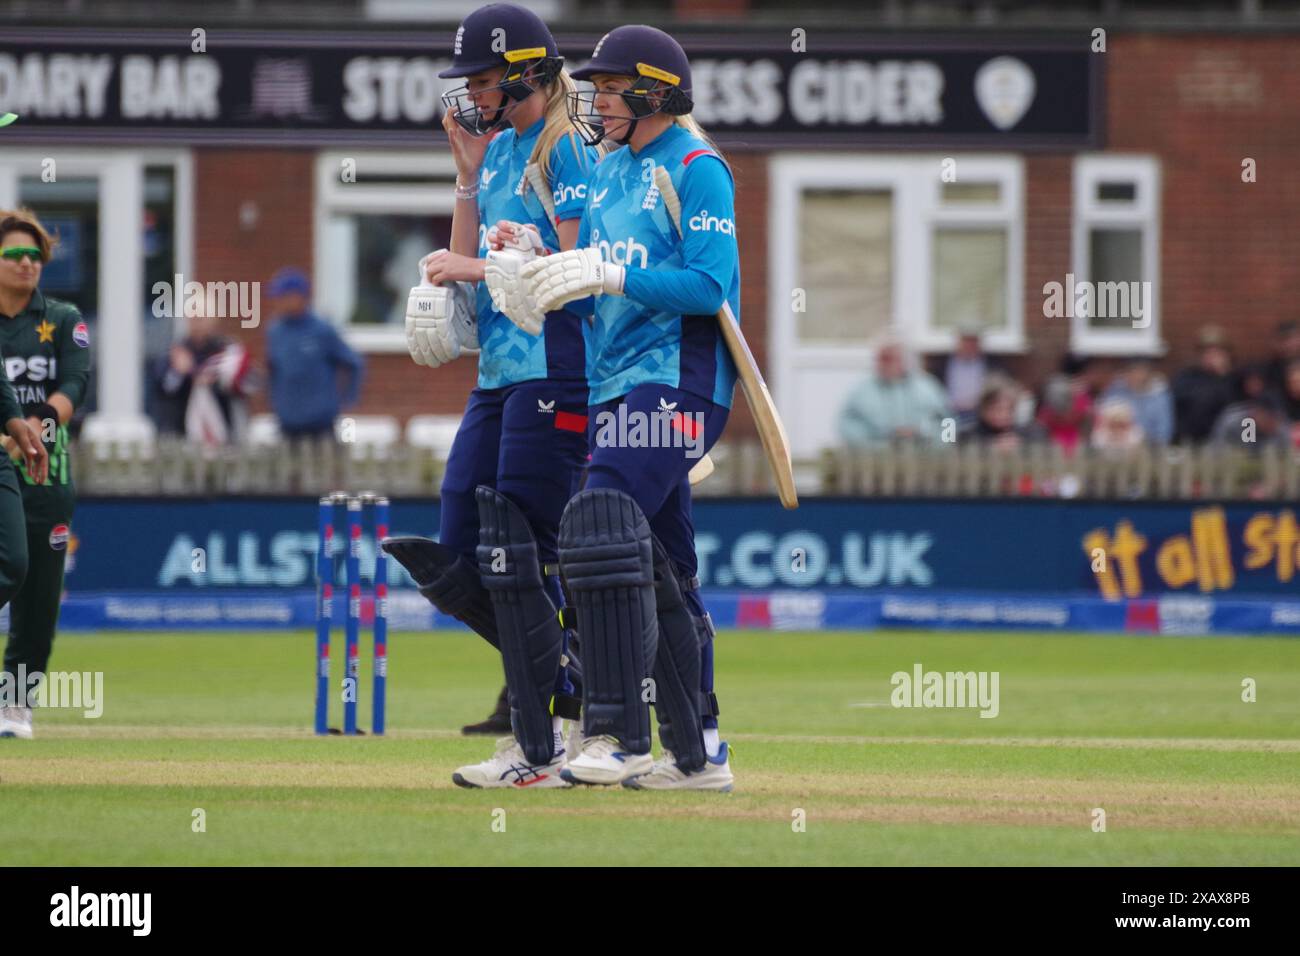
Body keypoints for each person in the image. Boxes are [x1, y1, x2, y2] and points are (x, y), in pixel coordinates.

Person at [499, 24, 742, 791]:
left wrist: (609, 276)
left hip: (679, 381)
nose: (594, 101)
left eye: (608, 89)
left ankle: (618, 731)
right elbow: (599, 272)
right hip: (614, 382)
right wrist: (541, 260)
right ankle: (698, 752)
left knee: (597, 519)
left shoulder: (697, 168)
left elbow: (709, 286)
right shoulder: (607, 171)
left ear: (651, 92)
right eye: (594, 88)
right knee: (666, 562)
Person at [379, 3, 597, 789]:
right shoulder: (502, 149)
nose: (471, 94)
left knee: (519, 554)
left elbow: (576, 268)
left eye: (482, 79)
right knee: (460, 544)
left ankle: (542, 747)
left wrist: (468, 271)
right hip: (502, 372)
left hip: (559, 367)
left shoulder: (569, 144)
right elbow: (466, 257)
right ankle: (572, 686)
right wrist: (467, 178)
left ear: (528, 72)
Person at [0, 209, 76, 740]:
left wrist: (36, 425)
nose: (26, 264)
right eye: (13, 255)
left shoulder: (64, 318)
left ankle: (13, 705)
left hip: (46, 473)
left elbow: (76, 383)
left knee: (38, 596)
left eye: (35, 256)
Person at [265, 267, 364, 441]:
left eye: (283, 297)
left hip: (321, 425)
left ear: (299, 297)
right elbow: (273, 369)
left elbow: (354, 363)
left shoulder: (322, 330)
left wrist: (348, 399)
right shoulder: (275, 332)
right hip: (287, 424)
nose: (279, 302)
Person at [155, 310, 256, 447]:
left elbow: (248, 386)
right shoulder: (177, 352)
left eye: (201, 317)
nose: (197, 323)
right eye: (193, 318)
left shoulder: (227, 352)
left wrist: (217, 379)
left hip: (224, 433)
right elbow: (164, 389)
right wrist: (179, 372)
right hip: (184, 434)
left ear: (213, 319)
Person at [838, 337, 950, 449]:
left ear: (904, 360)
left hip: (924, 458)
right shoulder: (862, 391)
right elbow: (847, 426)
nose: (882, 364)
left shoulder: (927, 388)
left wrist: (922, 433)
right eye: (879, 359)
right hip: (878, 459)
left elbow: (949, 423)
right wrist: (882, 441)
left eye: (888, 358)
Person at [1172, 326, 1234, 444]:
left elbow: (1232, 407)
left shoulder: (1232, 379)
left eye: (1216, 352)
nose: (1211, 357)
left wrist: (1222, 375)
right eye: (1207, 352)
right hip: (1191, 441)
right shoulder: (1187, 377)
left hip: (1223, 443)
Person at [1101, 357, 1172, 445]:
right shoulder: (1115, 391)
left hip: (1148, 447)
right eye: (1130, 371)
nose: (1135, 375)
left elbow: (1164, 431)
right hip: (1116, 445)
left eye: (1139, 371)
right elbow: (1104, 419)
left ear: (1148, 373)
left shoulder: (1159, 396)